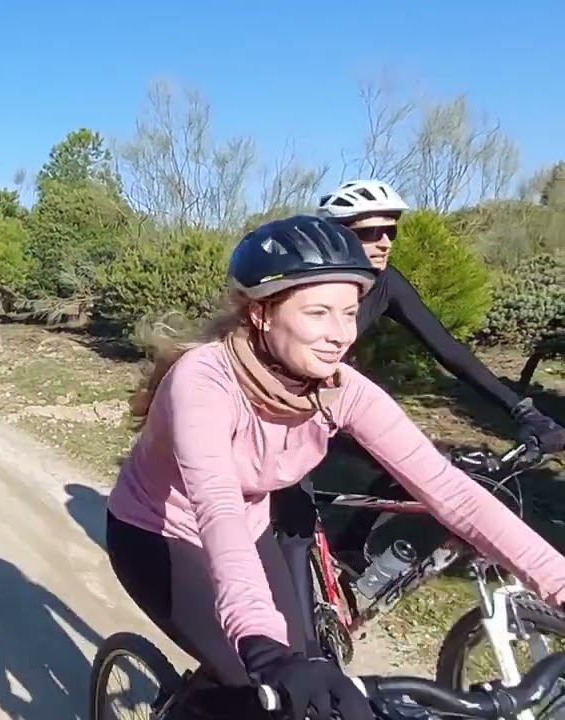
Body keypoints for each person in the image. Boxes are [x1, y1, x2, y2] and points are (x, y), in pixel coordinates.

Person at [105, 214, 565, 720]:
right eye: (319, 313)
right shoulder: (204, 382)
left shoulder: (339, 388)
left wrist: (558, 582)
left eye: (349, 313)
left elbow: (449, 491)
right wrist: (262, 646)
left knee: (309, 676)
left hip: (249, 526)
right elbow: (217, 508)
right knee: (256, 678)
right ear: (261, 314)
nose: (340, 335)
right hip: (157, 534)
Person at [270, 180, 565, 654]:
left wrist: (521, 409)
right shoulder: (303, 286)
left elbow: (451, 353)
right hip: (278, 417)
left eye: (391, 230)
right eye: (370, 232)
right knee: (294, 530)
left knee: (418, 467)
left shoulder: (385, 284)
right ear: (338, 236)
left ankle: (346, 552)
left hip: (338, 402)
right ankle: (294, 659)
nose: (385, 240)